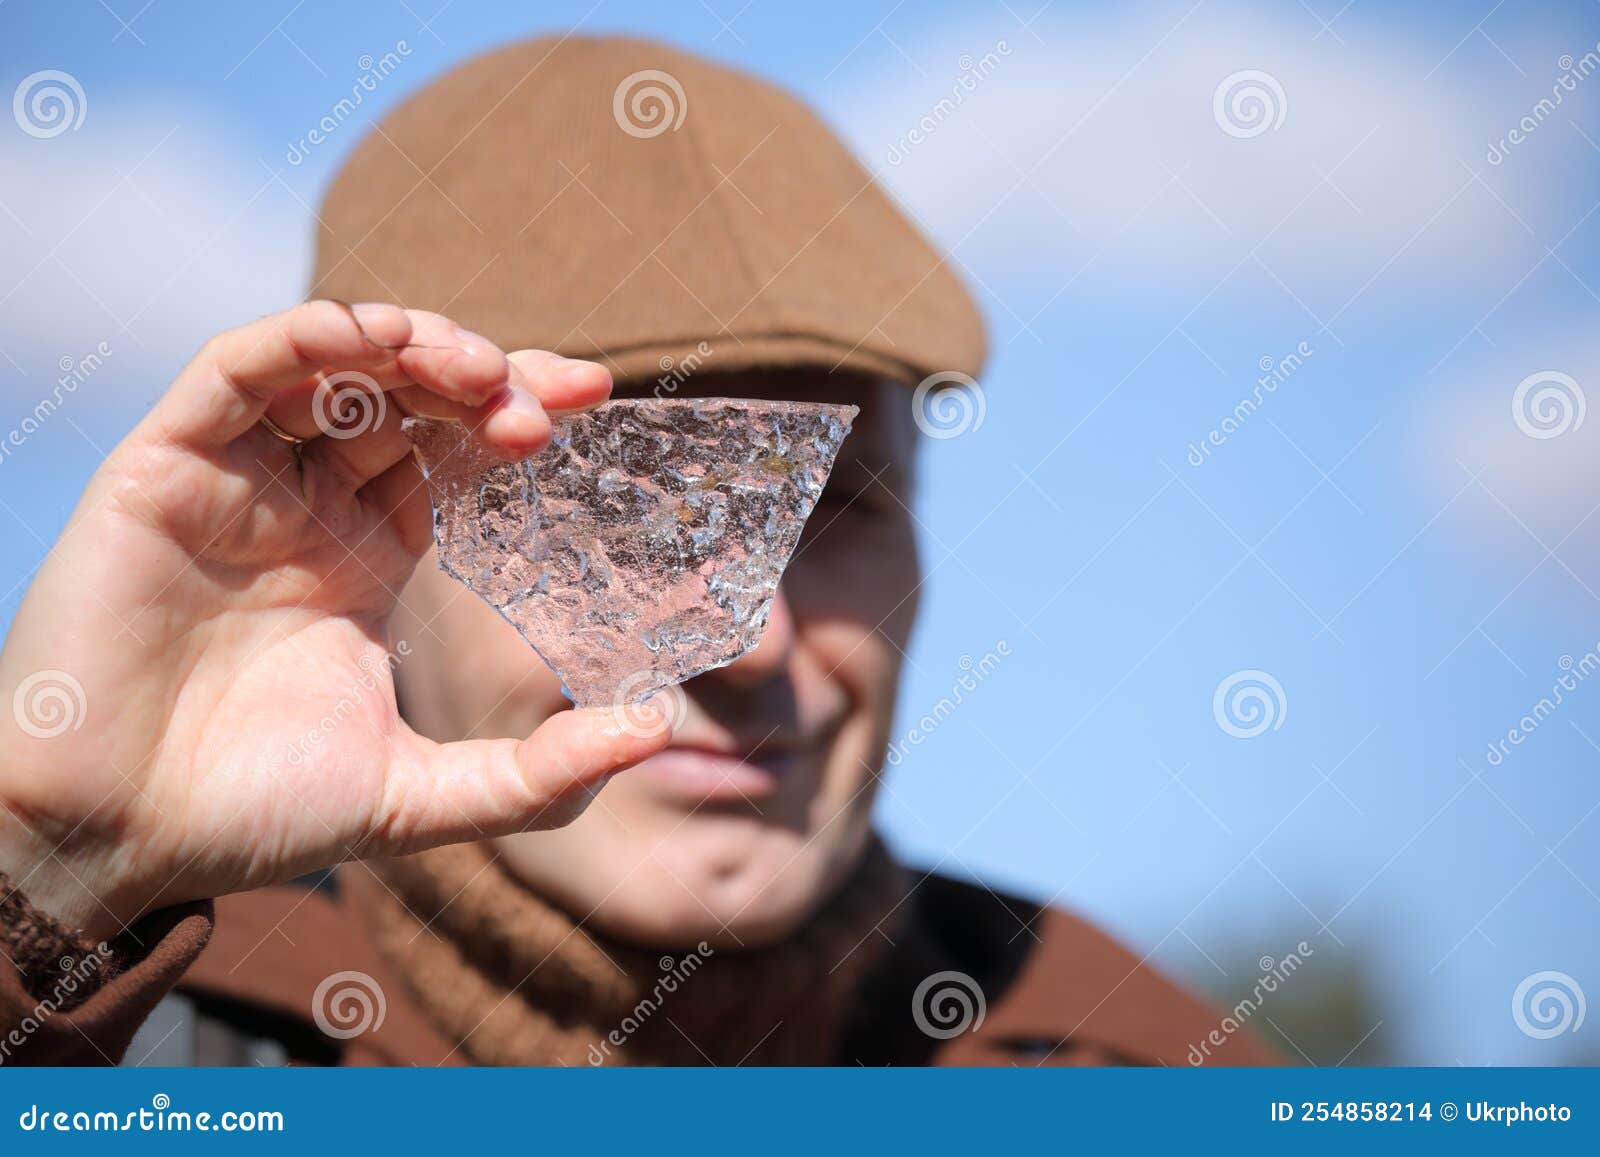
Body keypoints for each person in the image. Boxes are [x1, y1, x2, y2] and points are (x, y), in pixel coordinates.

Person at [0, 35, 1272, 1067]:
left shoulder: (1142, 1066)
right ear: (365, 568)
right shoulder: (123, 1044)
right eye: (604, 517)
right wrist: (49, 881)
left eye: (831, 510)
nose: (746, 641)